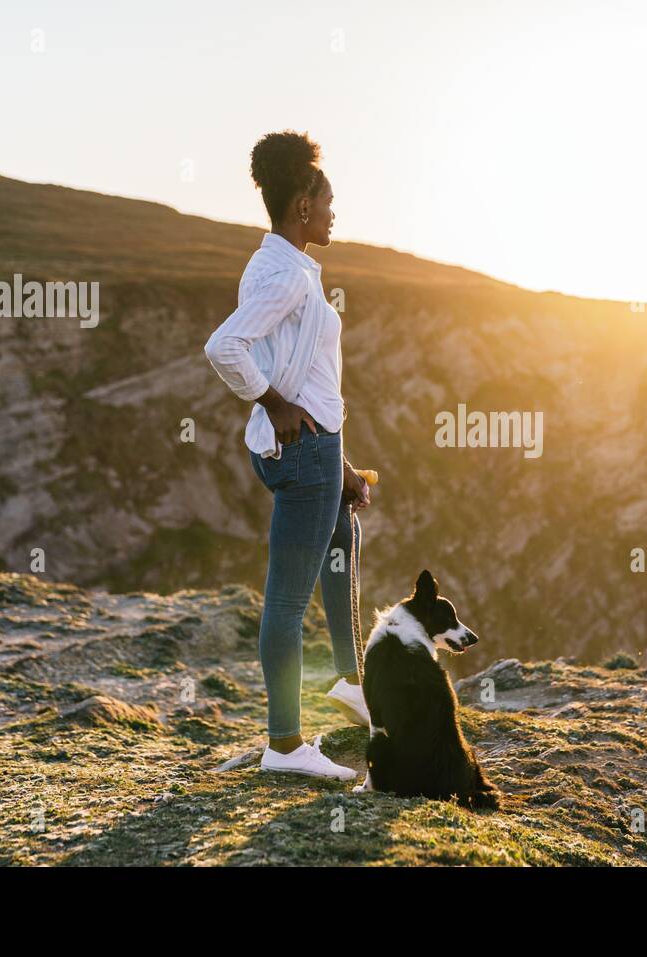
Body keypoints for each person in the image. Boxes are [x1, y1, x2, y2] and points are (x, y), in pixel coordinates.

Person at [204, 130, 371, 781]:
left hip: (316, 450)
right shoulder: (291, 278)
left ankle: (349, 680)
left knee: (341, 534)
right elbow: (225, 347)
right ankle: (285, 744)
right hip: (302, 455)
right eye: (328, 200)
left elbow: (307, 378)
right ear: (303, 204)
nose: (334, 211)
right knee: (286, 598)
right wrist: (272, 403)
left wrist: (344, 464)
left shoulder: (275, 264)